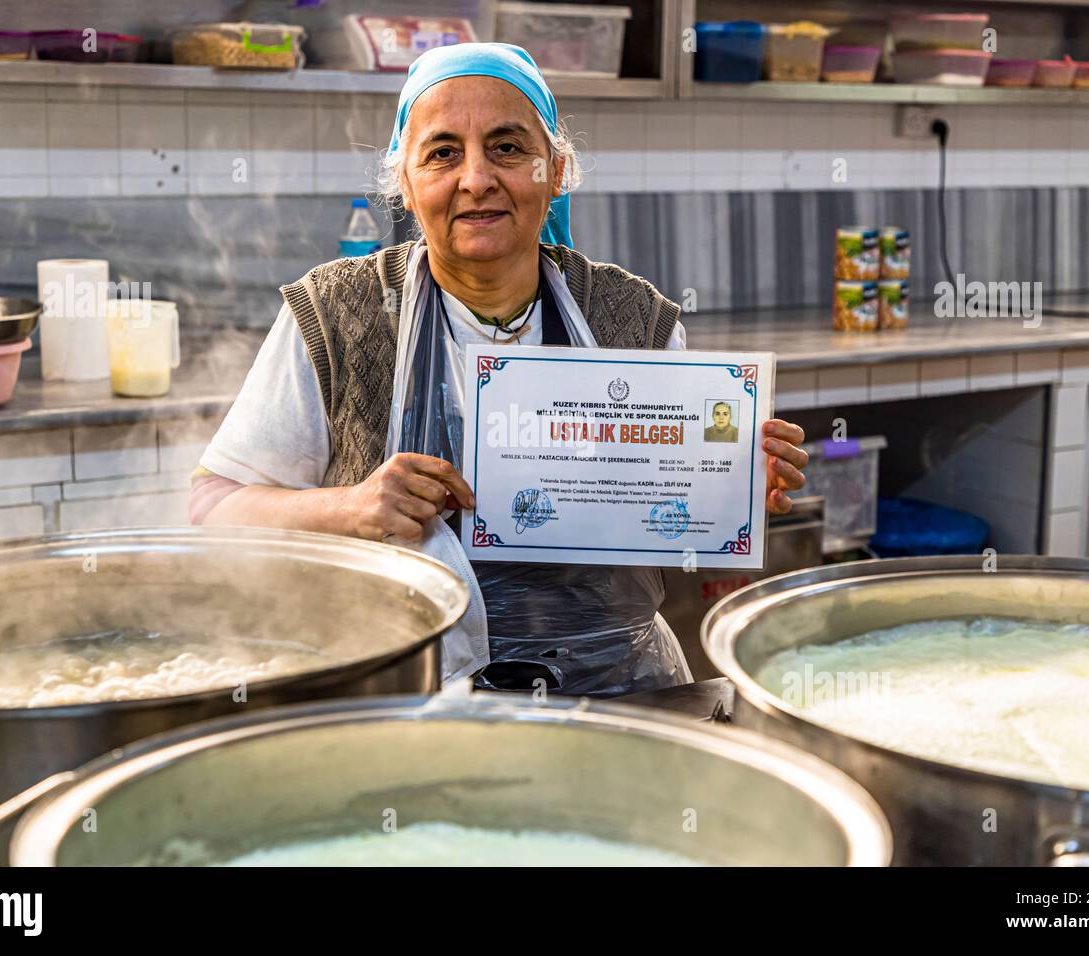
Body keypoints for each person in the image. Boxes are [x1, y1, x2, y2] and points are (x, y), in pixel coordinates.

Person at [190, 43, 809, 697]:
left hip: (617, 698)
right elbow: (211, 509)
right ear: (406, 181)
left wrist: (732, 486)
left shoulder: (632, 318)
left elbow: (668, 519)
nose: (476, 178)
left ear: (556, 170)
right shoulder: (337, 314)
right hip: (398, 698)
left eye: (507, 148)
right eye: (443, 152)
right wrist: (349, 507)